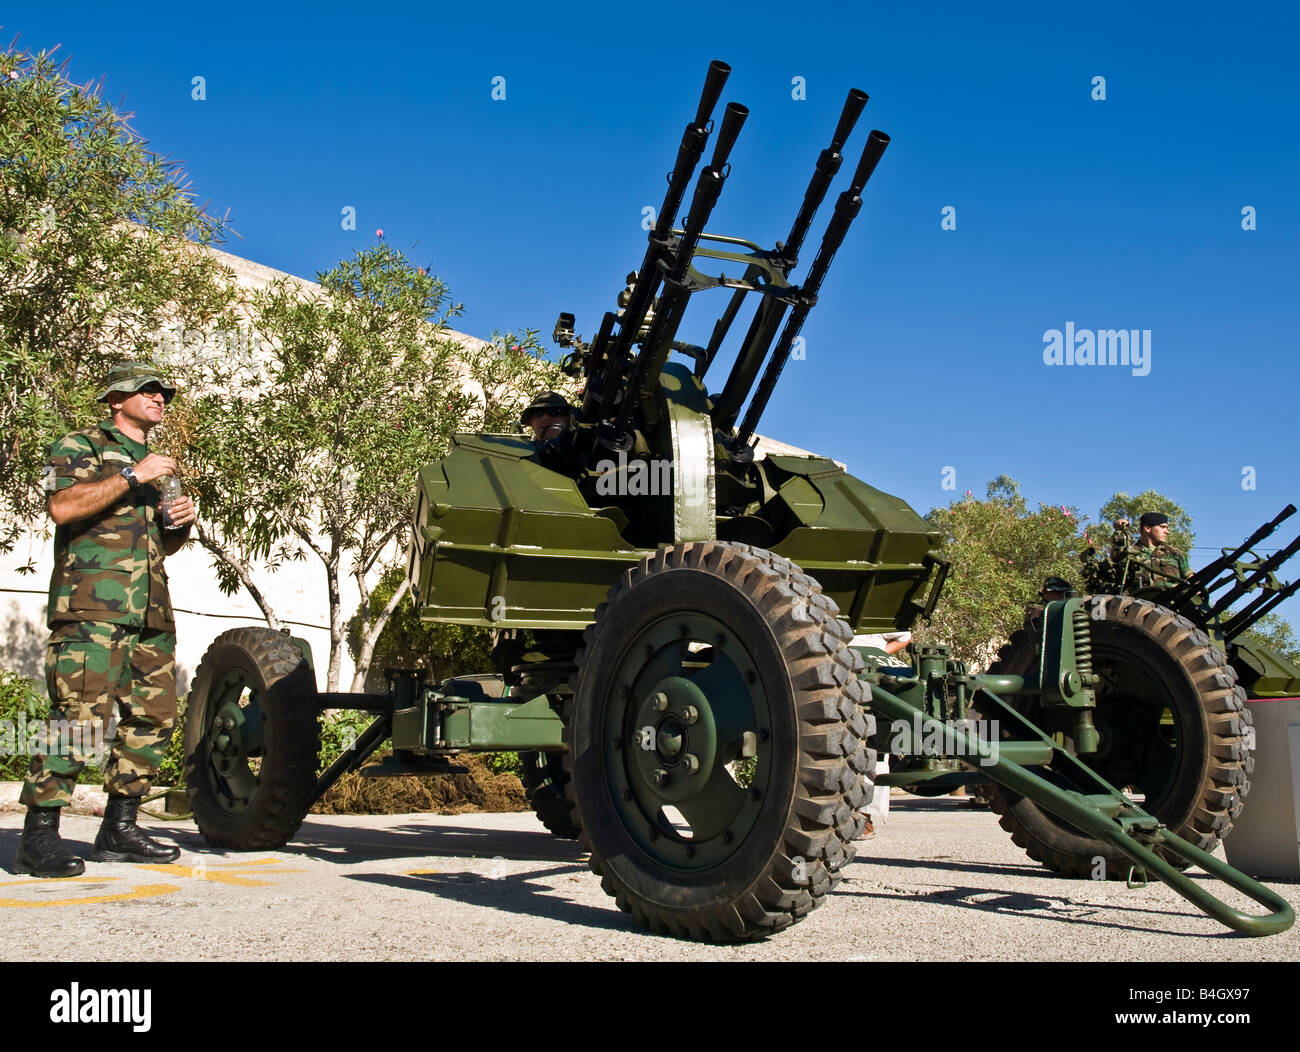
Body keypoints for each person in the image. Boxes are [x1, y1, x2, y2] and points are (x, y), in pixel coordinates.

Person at [16, 360, 197, 878]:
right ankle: (39, 837)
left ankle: (119, 827)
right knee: (78, 718)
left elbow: (162, 544)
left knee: (153, 718)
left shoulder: (160, 462)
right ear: (116, 399)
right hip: (92, 606)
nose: (160, 398)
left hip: (151, 612)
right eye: (148, 390)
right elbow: (62, 507)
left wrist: (180, 526)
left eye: (164, 393)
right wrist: (131, 475)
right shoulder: (76, 446)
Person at [849, 630, 912, 839]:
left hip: (872, 676)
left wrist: (876, 653)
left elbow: (905, 637)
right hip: (839, 672)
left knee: (876, 751)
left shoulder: (881, 621)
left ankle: (866, 816)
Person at [1111, 512, 1190, 589]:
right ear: (1148, 528)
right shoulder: (1130, 553)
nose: (1167, 531)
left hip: (1173, 600)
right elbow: (1115, 567)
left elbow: (1190, 577)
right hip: (1141, 600)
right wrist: (1120, 530)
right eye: (1162, 527)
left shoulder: (1174, 553)